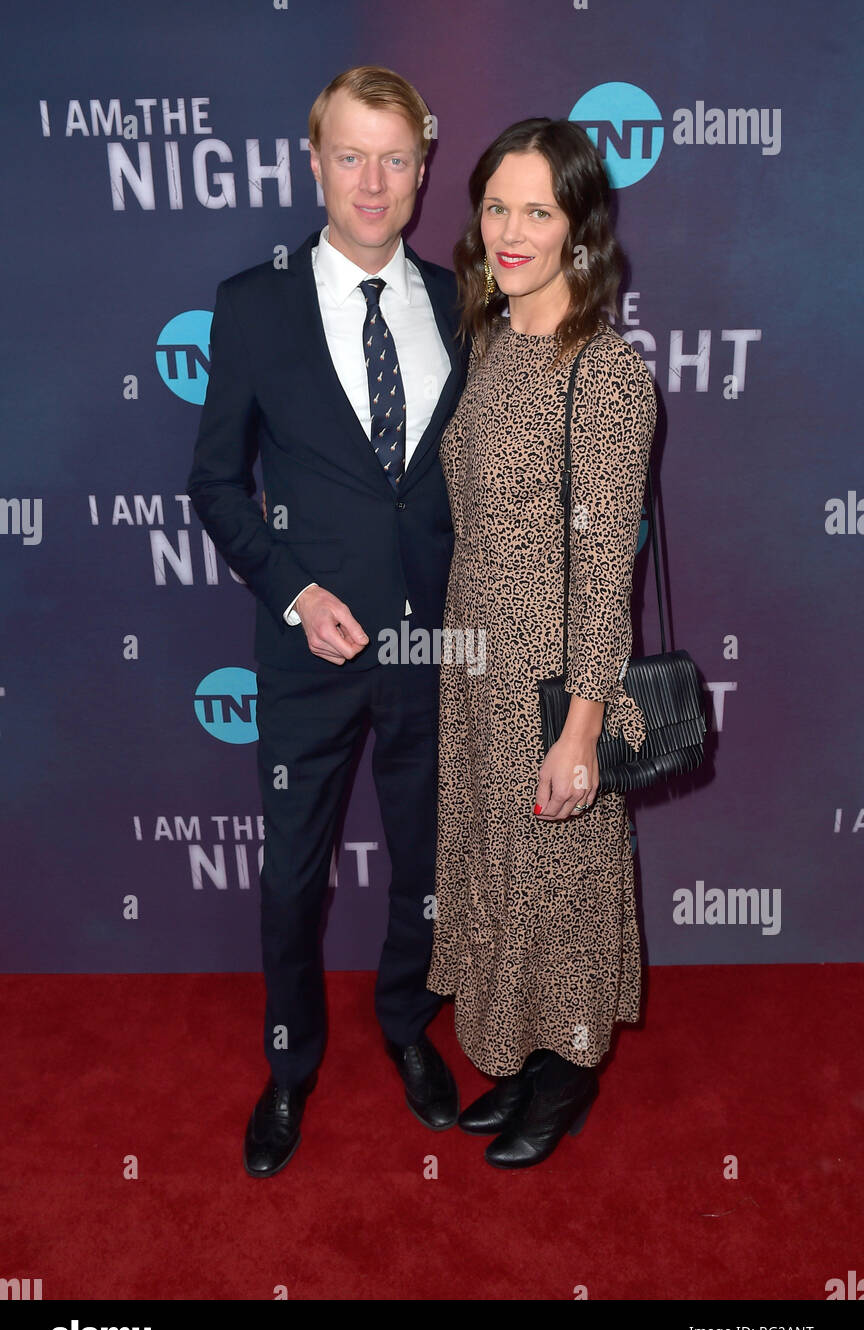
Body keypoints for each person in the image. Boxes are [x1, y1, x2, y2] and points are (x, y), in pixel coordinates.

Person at [187, 66, 468, 1178]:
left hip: (439, 652)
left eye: (395, 158)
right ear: (314, 163)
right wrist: (295, 593)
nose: (372, 181)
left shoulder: (461, 302)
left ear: (422, 171)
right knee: (294, 876)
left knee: (427, 866)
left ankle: (406, 1026)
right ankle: (291, 1063)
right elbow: (214, 486)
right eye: (350, 155)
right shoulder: (252, 303)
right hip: (308, 655)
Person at [427, 117, 657, 1170]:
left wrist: (581, 729)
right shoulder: (486, 340)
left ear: (580, 230)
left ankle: (565, 1077)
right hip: (474, 668)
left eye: (538, 210)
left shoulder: (604, 377)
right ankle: (519, 1056)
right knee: (500, 870)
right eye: (496, 206)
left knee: (559, 880)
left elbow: (608, 574)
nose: (511, 230)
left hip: (555, 681)